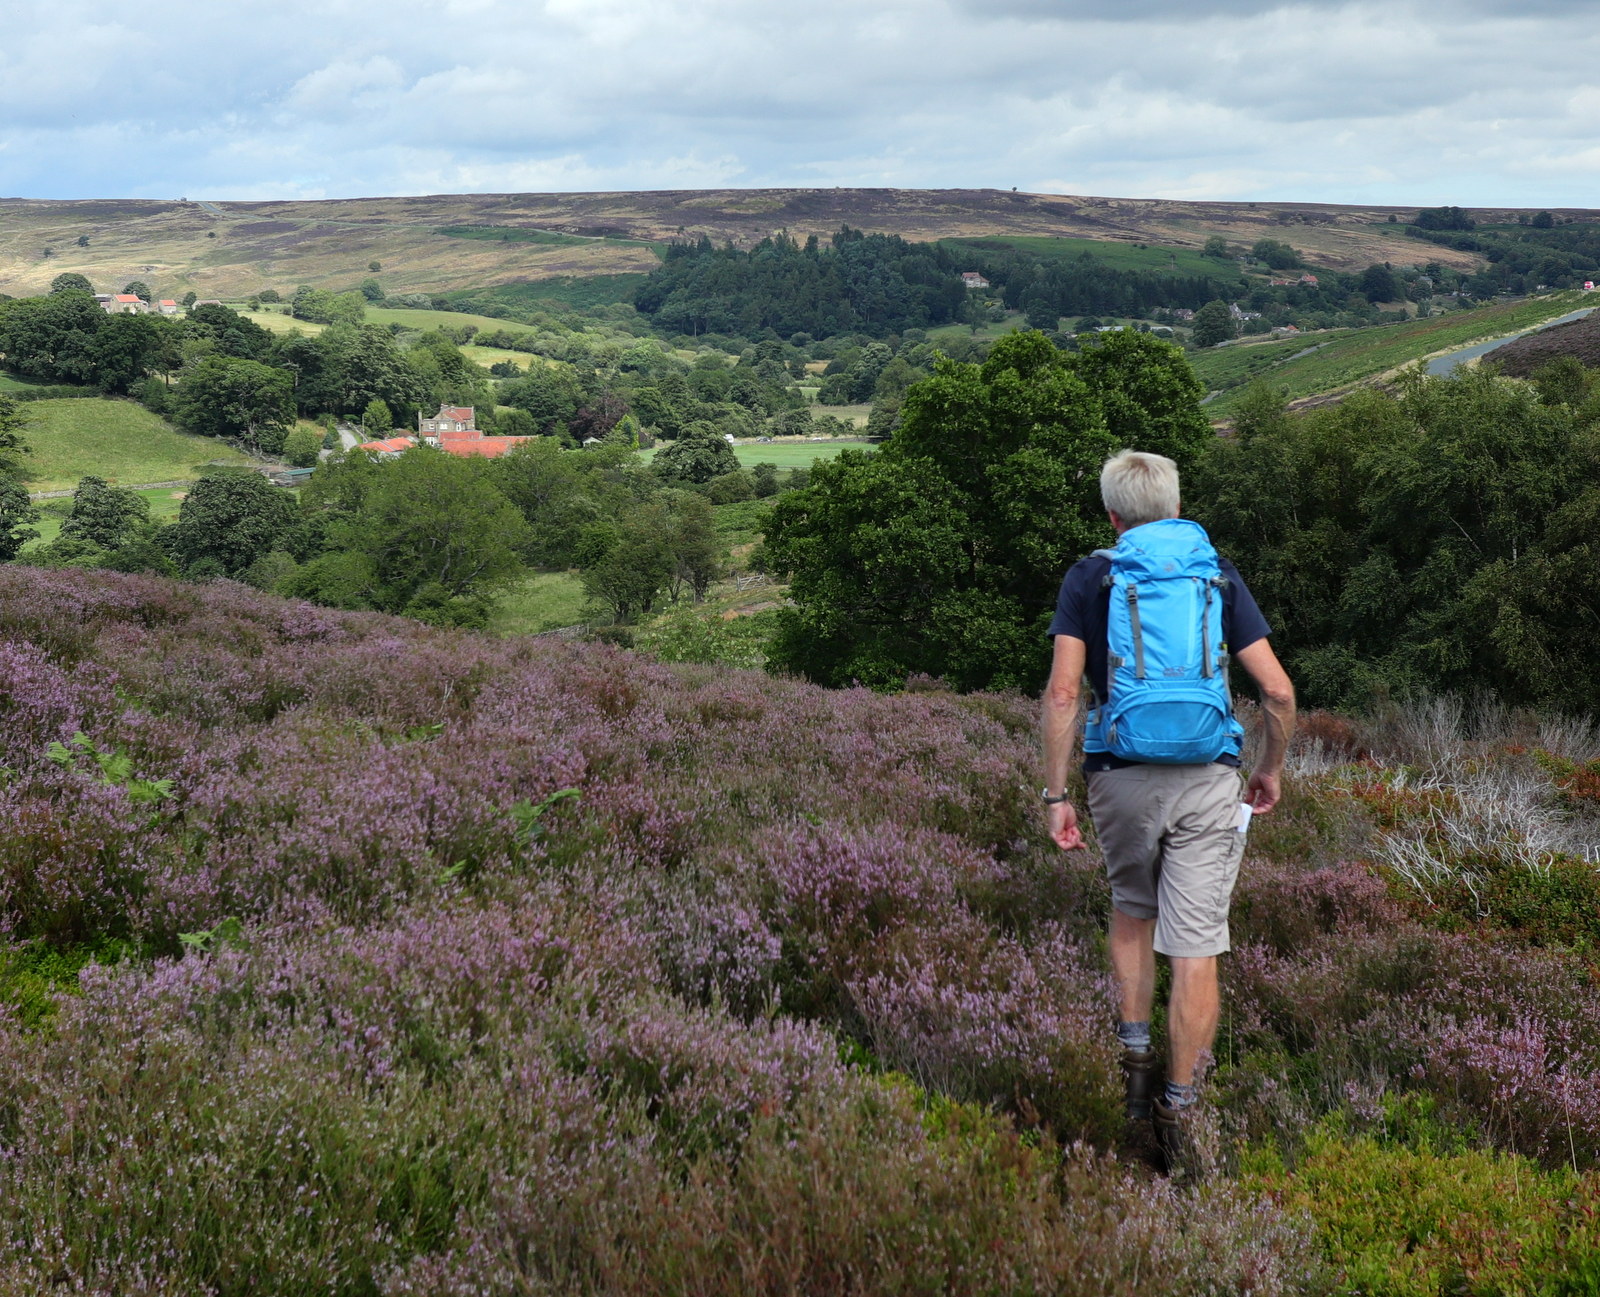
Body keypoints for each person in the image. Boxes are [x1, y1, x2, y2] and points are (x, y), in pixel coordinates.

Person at [1039, 449, 1295, 1168]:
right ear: (1177, 509)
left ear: (1113, 517)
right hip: (1208, 776)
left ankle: (1133, 1075)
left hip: (1118, 774)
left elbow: (1063, 693)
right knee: (1196, 943)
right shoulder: (1216, 574)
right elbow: (1277, 691)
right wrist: (1269, 767)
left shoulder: (1090, 576)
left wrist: (1057, 795)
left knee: (1132, 910)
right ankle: (1180, 1111)